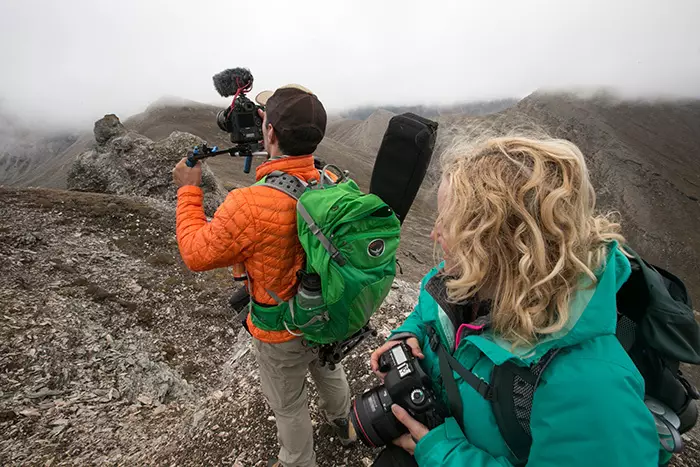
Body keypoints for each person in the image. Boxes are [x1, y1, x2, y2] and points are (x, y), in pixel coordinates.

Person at [368, 135, 660, 466]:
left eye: (448, 224)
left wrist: (442, 453)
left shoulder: (591, 388)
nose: (435, 234)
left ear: (498, 245)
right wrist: (411, 333)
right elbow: (430, 307)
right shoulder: (470, 279)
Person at [172, 84, 355, 467]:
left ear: (269, 132)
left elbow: (196, 253)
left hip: (280, 327)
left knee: (288, 405)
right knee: (329, 366)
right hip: (329, 314)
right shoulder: (334, 182)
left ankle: (297, 461)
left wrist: (189, 192)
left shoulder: (249, 203)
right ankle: (346, 423)